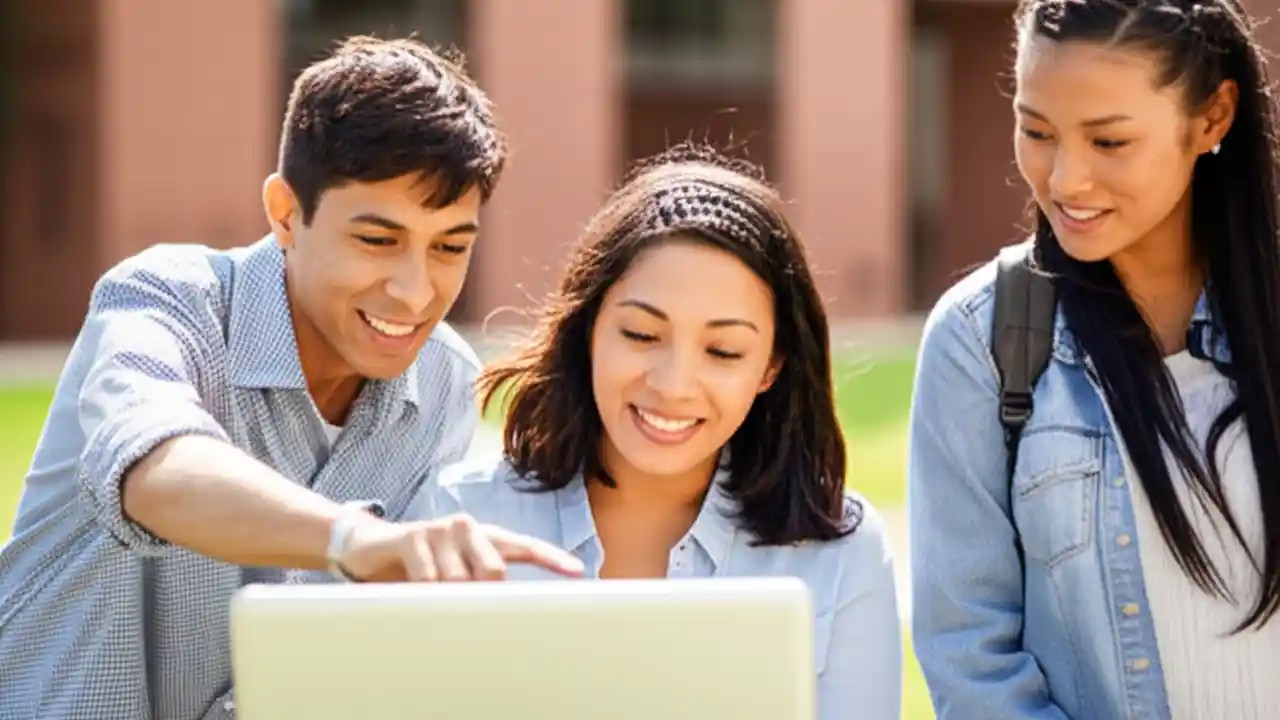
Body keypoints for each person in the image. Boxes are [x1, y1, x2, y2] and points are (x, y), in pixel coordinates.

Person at [0, 36, 581, 720]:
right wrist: (357, 541)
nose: (415, 292)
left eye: (450, 247)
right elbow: (154, 467)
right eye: (377, 240)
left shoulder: (446, 385)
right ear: (284, 214)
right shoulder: (167, 300)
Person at [409, 146, 902, 720]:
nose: (673, 385)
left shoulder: (841, 554)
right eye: (642, 335)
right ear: (589, 328)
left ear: (771, 366)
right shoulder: (458, 519)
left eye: (723, 351)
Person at [908, 1, 1280, 717]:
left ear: (1213, 118)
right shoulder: (979, 342)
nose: (1065, 180)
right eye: (1036, 131)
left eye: (1108, 142)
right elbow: (970, 658)